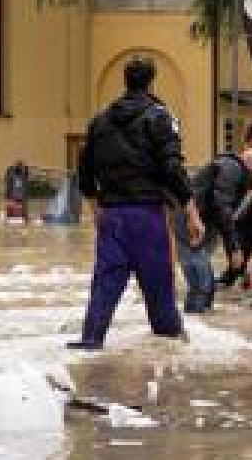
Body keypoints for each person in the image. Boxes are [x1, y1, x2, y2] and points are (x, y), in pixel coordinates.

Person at [69, 56, 204, 350]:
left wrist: (95, 208)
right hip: (147, 214)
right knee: (159, 285)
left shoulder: (99, 121)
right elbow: (172, 167)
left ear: (125, 80)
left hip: (112, 214)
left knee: (105, 284)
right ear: (152, 82)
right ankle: (171, 347)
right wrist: (191, 210)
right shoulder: (160, 117)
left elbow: (84, 169)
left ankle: (90, 340)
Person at [195, 148, 252, 288]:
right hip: (194, 216)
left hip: (206, 218)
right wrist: (234, 249)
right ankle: (201, 293)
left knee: (201, 256)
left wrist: (233, 248)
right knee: (195, 256)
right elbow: (223, 207)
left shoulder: (239, 176)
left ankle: (204, 292)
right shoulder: (232, 169)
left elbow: (227, 215)